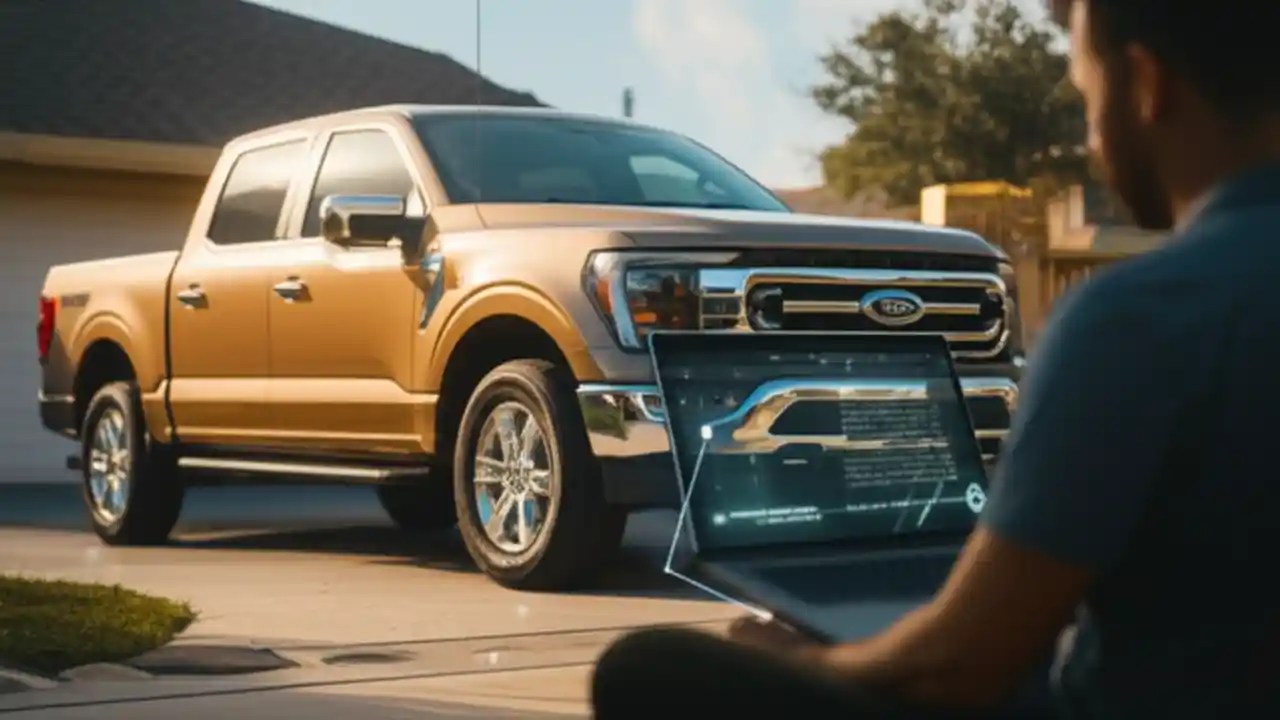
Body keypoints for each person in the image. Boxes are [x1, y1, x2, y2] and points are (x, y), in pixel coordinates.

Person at [591, 1, 1280, 717]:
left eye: (1087, 97)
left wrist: (814, 661)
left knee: (646, 669)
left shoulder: (1143, 320)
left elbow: (951, 668)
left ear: (1145, 85)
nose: (1094, 137)